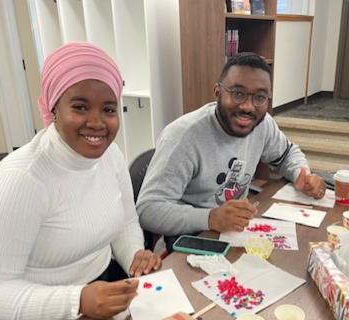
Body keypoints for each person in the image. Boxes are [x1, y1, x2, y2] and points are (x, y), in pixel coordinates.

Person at [0, 42, 162, 320]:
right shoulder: (22, 181)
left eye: (108, 109)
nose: (97, 122)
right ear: (52, 109)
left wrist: (134, 254)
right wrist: (77, 301)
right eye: (79, 106)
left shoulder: (111, 158)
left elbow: (124, 220)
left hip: (100, 287)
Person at [136, 52, 327, 247]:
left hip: (235, 233)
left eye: (259, 97)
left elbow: (287, 153)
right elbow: (147, 210)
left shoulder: (262, 124)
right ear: (218, 93)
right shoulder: (182, 137)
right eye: (237, 93)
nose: (247, 106)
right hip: (192, 239)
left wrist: (300, 173)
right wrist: (210, 218)